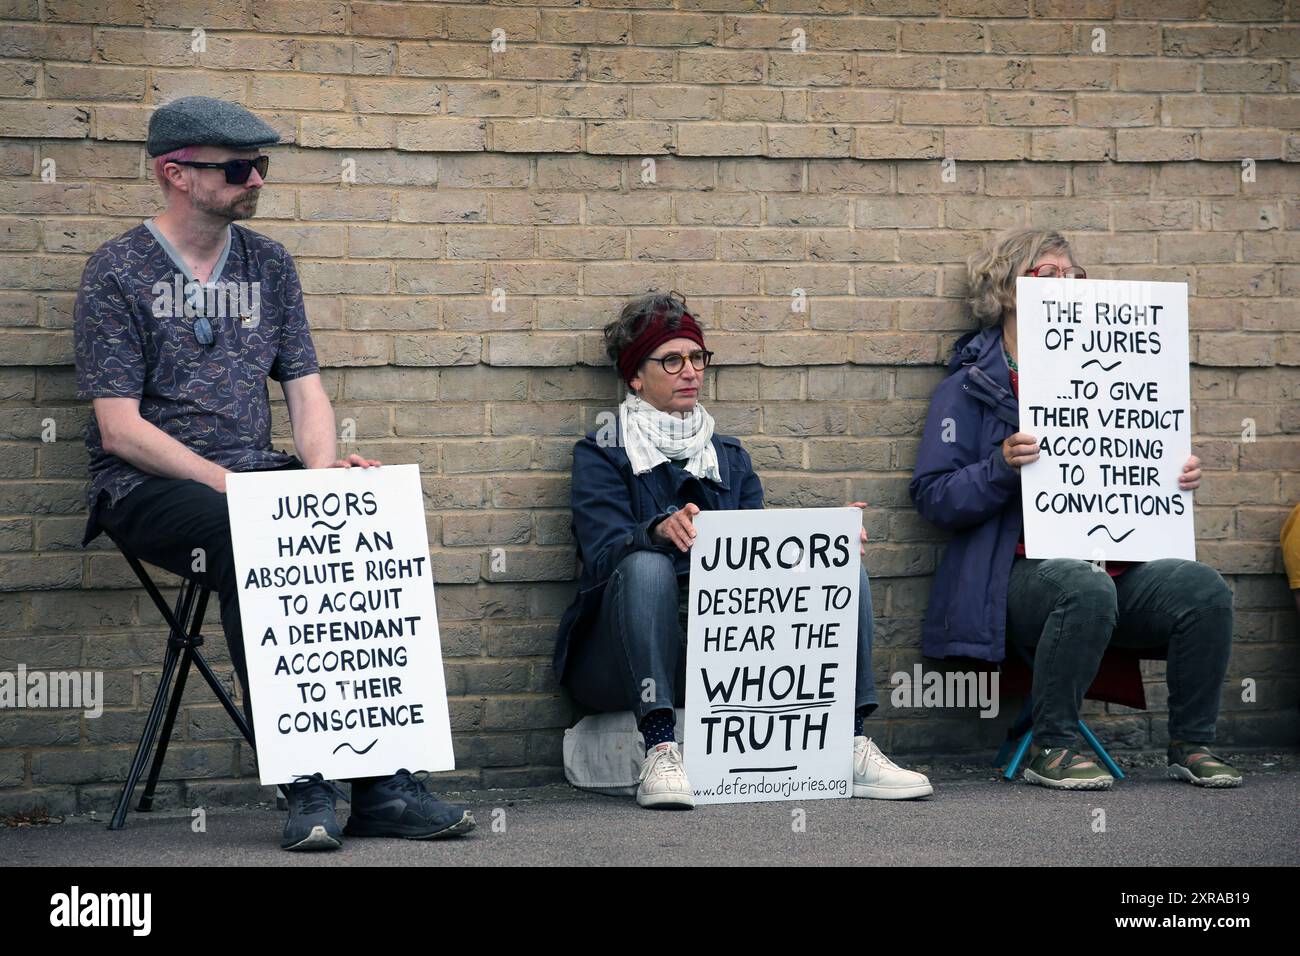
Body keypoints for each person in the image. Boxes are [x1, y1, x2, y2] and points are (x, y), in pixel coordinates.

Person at [75, 96, 474, 849]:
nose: (255, 177)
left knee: (362, 520)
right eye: (235, 166)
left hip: (259, 478)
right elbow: (120, 429)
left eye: (261, 164)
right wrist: (235, 489)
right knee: (254, 538)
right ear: (176, 174)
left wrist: (321, 480)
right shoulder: (118, 271)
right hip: (146, 491)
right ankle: (307, 782)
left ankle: (385, 784)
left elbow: (306, 391)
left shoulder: (269, 263)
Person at [555, 291, 932, 809]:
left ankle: (849, 739)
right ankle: (661, 746)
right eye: (672, 360)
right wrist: (656, 531)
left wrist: (824, 542)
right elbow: (599, 557)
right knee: (644, 567)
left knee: (844, 567)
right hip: (623, 658)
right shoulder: (602, 451)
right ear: (636, 377)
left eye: (697, 358)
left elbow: (759, 560)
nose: (690, 371)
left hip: (725, 653)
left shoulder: (728, 456)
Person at [909, 228, 1241, 791]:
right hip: (1013, 576)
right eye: (1048, 273)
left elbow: (1130, 450)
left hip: (1112, 568)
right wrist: (999, 466)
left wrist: (1172, 472)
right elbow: (933, 497)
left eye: (1072, 274)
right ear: (1006, 289)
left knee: (1203, 590)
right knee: (1082, 586)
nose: (1065, 283)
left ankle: (1192, 742)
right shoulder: (970, 386)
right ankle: (1052, 746)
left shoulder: (1121, 371)